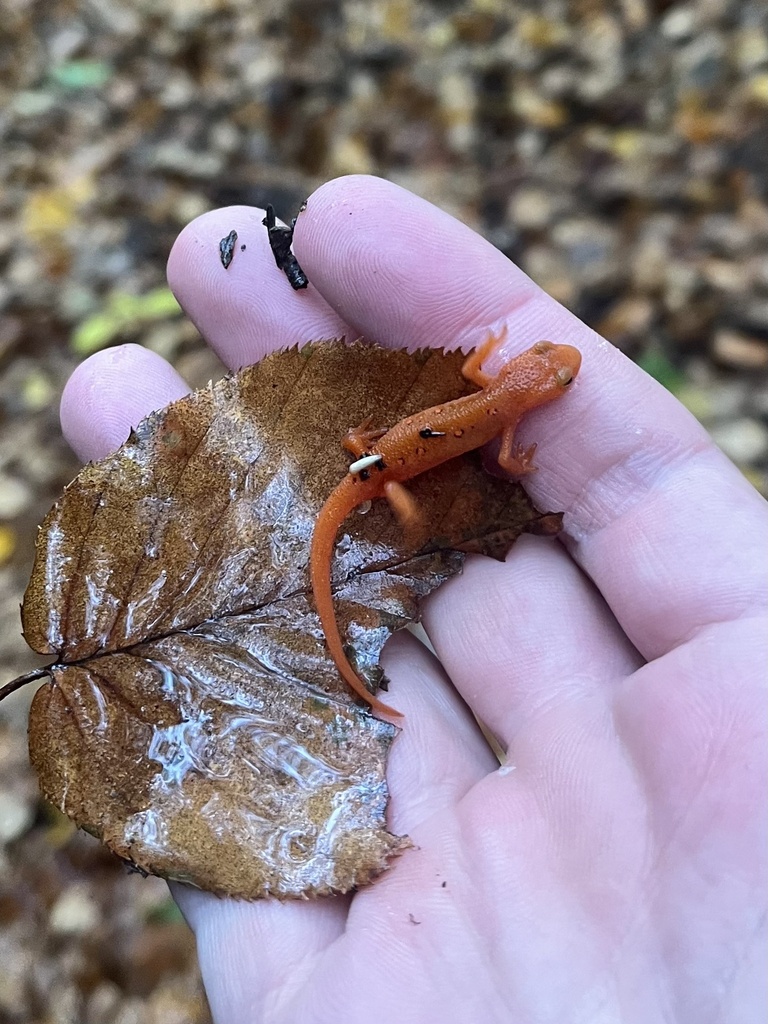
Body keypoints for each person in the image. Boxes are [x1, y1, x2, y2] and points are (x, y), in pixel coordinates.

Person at [61, 176, 767, 1023]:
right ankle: (386, 522)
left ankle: (378, 538)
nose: (552, 379)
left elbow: (479, 386)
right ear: (533, 385)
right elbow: (504, 460)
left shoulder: (497, 395)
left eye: (551, 379)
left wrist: (477, 395)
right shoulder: (505, 417)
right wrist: (507, 470)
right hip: (374, 473)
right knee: (390, 488)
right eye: (551, 375)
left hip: (372, 456)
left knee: (387, 478)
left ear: (530, 384)